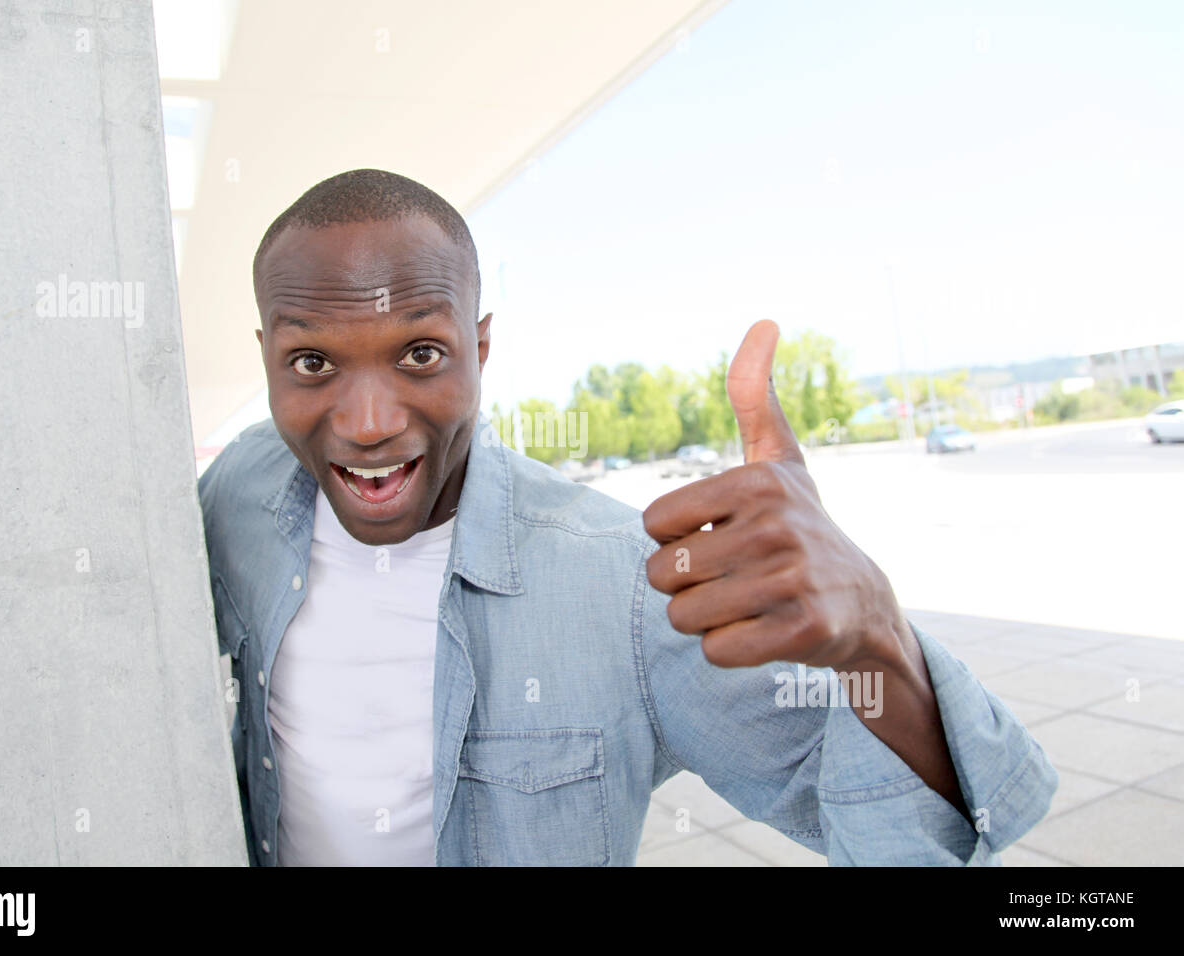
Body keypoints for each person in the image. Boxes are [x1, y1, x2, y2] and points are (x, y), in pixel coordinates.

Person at [197, 168, 1057, 866]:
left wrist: (879, 640)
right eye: (311, 361)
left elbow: (913, 839)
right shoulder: (238, 493)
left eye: (421, 354)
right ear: (268, 358)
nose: (368, 421)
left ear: (481, 348)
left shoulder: (629, 582)